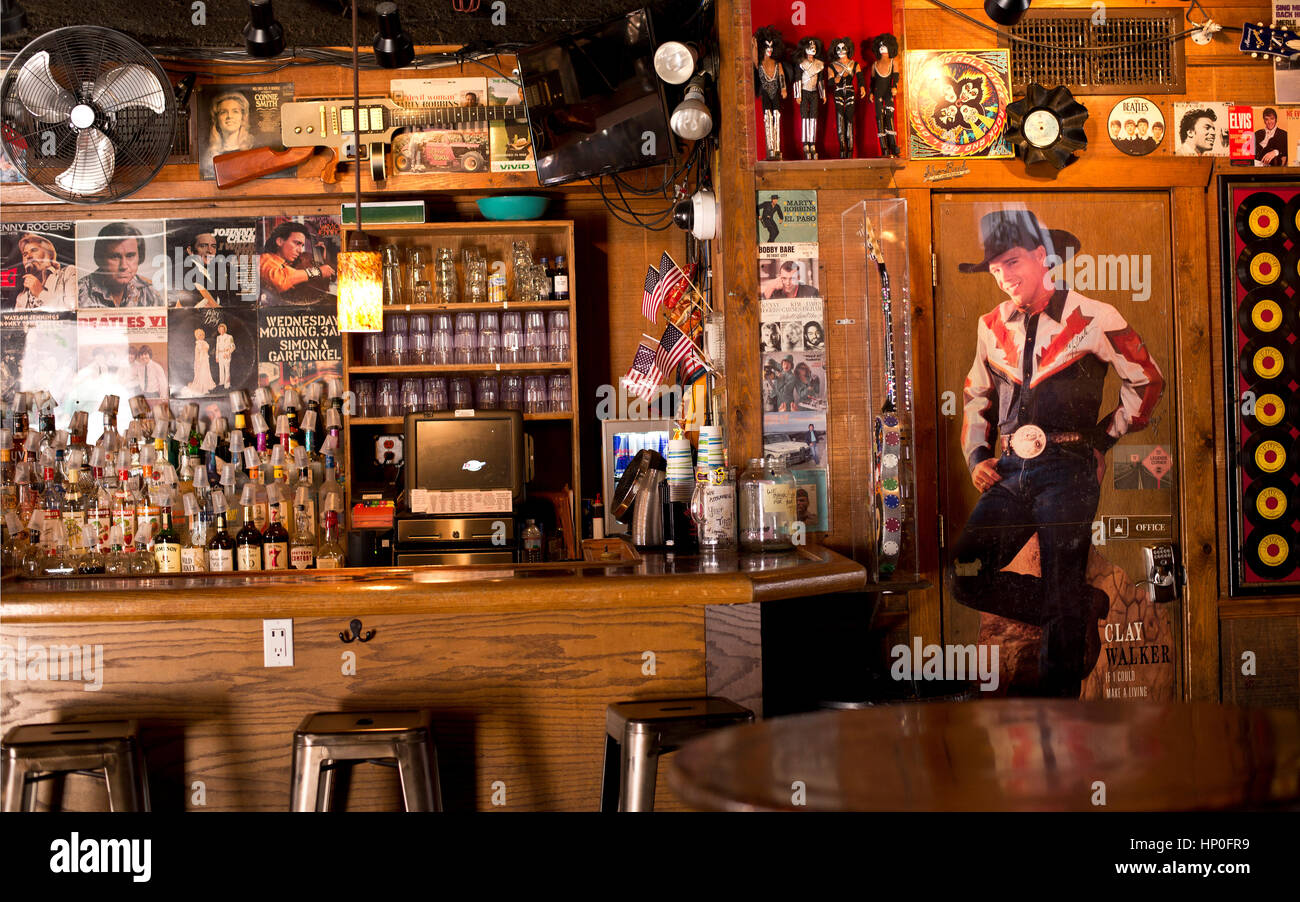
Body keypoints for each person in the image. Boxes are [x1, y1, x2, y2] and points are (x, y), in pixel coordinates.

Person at [946, 209, 1164, 697]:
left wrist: (1103, 438)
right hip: (1009, 469)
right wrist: (978, 455)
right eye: (996, 269)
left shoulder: (1094, 315)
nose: (1004, 277)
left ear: (1043, 257)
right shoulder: (989, 326)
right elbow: (976, 395)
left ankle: (1054, 713)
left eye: (1013, 262)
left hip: (1068, 468)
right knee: (964, 573)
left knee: (1062, 580)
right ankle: (1078, 605)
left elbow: (1146, 381)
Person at [77, 223, 162, 308]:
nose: (124, 266)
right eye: (115, 257)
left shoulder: (149, 291)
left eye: (130, 256)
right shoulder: (78, 293)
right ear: (101, 258)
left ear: (139, 257)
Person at [259, 222, 334, 304]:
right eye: (297, 243)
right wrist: (318, 271)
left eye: (302, 246)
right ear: (280, 241)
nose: (300, 250)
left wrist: (320, 258)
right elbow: (281, 279)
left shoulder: (287, 263)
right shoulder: (265, 259)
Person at [14, 233, 78, 310]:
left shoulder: (68, 273)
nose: (28, 256)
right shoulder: (21, 297)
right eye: (25, 254)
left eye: (34, 250)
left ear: (48, 254)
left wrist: (40, 293)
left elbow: (72, 311)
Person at [753, 27, 789, 161]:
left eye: (771, 46)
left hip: (775, 92)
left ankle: (777, 147)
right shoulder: (760, 64)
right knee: (767, 117)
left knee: (776, 116)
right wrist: (754, 46)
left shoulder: (777, 63)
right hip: (765, 92)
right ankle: (770, 147)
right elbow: (754, 60)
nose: (770, 49)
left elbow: (781, 76)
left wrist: (784, 89)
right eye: (767, 46)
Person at [201, 91, 253, 179]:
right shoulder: (209, 156)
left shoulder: (253, 148)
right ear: (216, 119)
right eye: (223, 112)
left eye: (235, 111)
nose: (229, 116)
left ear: (243, 117)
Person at [828, 37, 864, 158]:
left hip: (850, 92)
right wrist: (834, 80)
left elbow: (860, 79)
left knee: (849, 119)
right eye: (838, 49)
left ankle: (850, 148)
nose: (841, 51)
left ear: (848, 49)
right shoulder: (832, 66)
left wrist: (862, 87)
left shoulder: (855, 64)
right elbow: (829, 81)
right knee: (840, 119)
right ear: (835, 50)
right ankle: (842, 147)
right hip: (838, 93)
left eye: (843, 48)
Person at [794, 37, 826, 160]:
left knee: (813, 116)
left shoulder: (819, 64)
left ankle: (812, 143)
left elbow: (820, 80)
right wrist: (798, 94)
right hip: (804, 91)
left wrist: (822, 94)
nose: (812, 50)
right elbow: (797, 78)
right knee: (804, 117)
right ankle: (805, 143)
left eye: (814, 48)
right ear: (805, 49)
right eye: (809, 48)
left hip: (814, 93)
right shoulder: (801, 63)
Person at [869, 33, 900, 157]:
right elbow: (872, 81)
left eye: (885, 45)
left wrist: (895, 87)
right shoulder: (875, 65)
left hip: (888, 93)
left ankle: (893, 145)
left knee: (889, 116)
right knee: (879, 118)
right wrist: (871, 92)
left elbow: (896, 76)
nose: (882, 47)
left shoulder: (893, 62)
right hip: (878, 93)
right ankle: (884, 148)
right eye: (880, 45)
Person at [176, 229, 221, 307]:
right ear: (190, 250)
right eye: (203, 246)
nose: (210, 251)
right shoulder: (187, 273)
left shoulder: (210, 273)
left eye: (213, 246)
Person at [185, 328, 217, 396]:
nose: (201, 336)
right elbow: (197, 353)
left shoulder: (205, 342)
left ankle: (206, 384)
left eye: (202, 335)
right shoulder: (198, 343)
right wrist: (198, 361)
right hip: (200, 360)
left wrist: (204, 350)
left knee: (206, 371)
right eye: (199, 335)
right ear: (197, 336)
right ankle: (201, 386)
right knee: (201, 372)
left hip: (205, 359)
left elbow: (206, 349)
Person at [215, 321, 236, 389]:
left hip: (226, 354)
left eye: (222, 329)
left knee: (227, 369)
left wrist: (227, 353)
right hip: (220, 354)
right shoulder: (218, 337)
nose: (221, 331)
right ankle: (221, 382)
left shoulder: (230, 337)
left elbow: (233, 347)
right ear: (218, 330)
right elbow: (217, 347)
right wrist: (217, 356)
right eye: (220, 329)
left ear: (225, 329)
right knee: (221, 369)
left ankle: (227, 384)